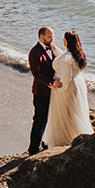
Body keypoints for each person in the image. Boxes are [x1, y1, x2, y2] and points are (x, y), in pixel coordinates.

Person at [42, 29, 94, 149]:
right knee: (75, 111)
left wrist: (58, 88)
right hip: (78, 84)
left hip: (69, 87)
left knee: (67, 113)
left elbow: (66, 77)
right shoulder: (77, 53)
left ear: (67, 41)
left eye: (64, 39)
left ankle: (67, 138)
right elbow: (64, 57)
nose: (62, 41)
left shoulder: (66, 58)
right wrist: (54, 48)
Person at [27, 26, 60, 155]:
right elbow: (36, 73)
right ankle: (33, 149)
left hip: (53, 92)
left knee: (50, 118)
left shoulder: (52, 47)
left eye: (53, 36)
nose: (52, 39)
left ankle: (46, 141)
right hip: (41, 92)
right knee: (39, 120)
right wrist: (51, 82)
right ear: (41, 37)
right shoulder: (34, 52)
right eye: (50, 37)